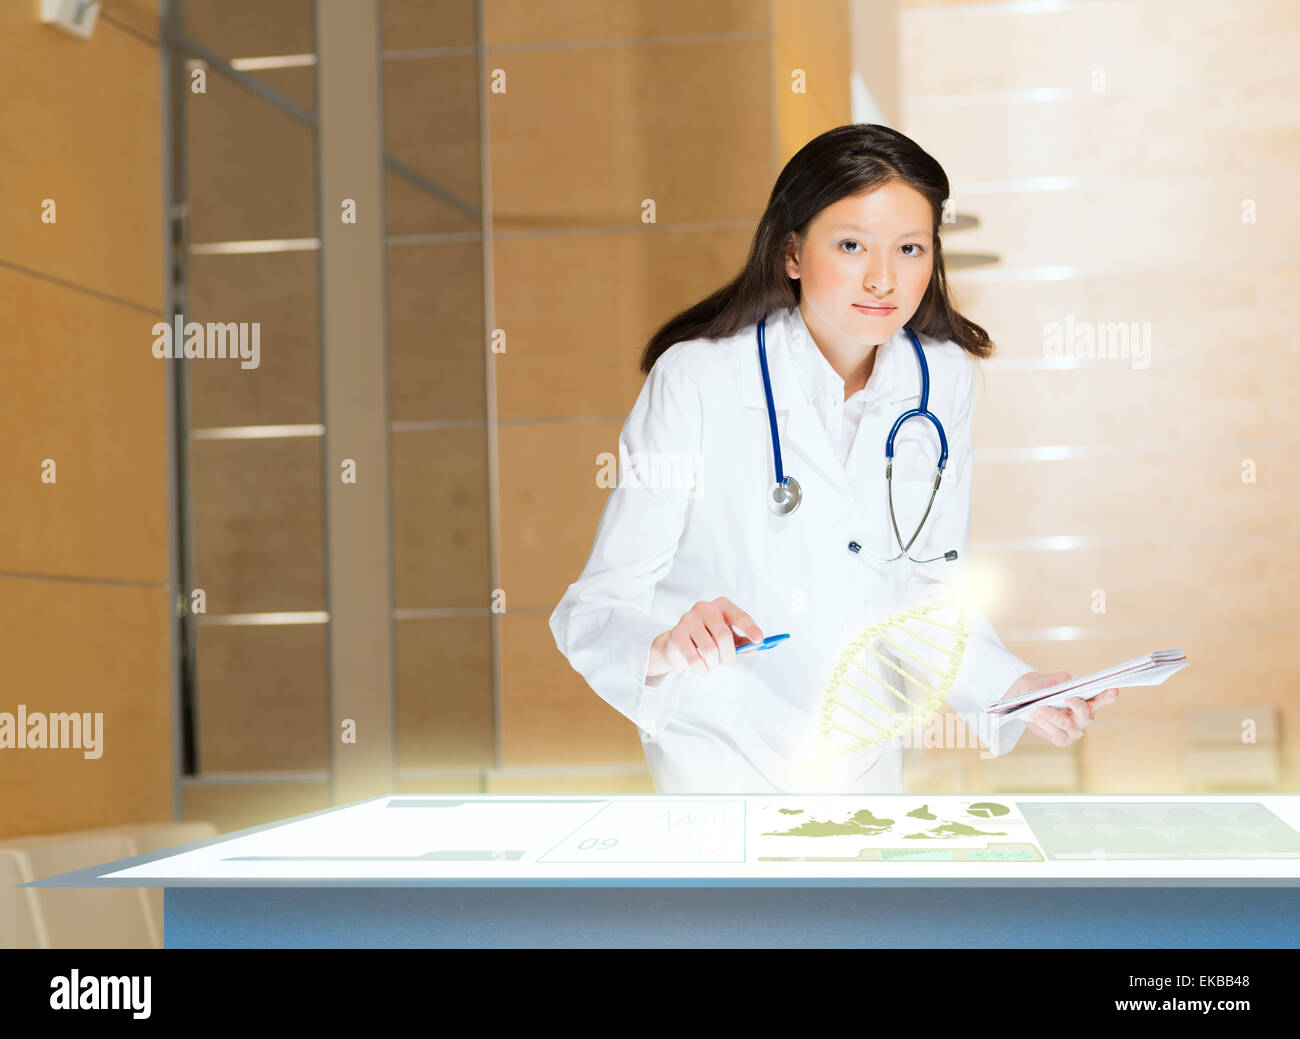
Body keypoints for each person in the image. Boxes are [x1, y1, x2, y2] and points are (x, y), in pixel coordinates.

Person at [549, 123, 1118, 794]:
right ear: (791, 252)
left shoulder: (941, 379)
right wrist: (671, 641)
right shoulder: (698, 378)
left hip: (862, 752)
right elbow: (595, 609)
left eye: (910, 248)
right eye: (851, 245)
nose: (883, 278)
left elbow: (924, 587)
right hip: (722, 756)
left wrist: (1013, 687)